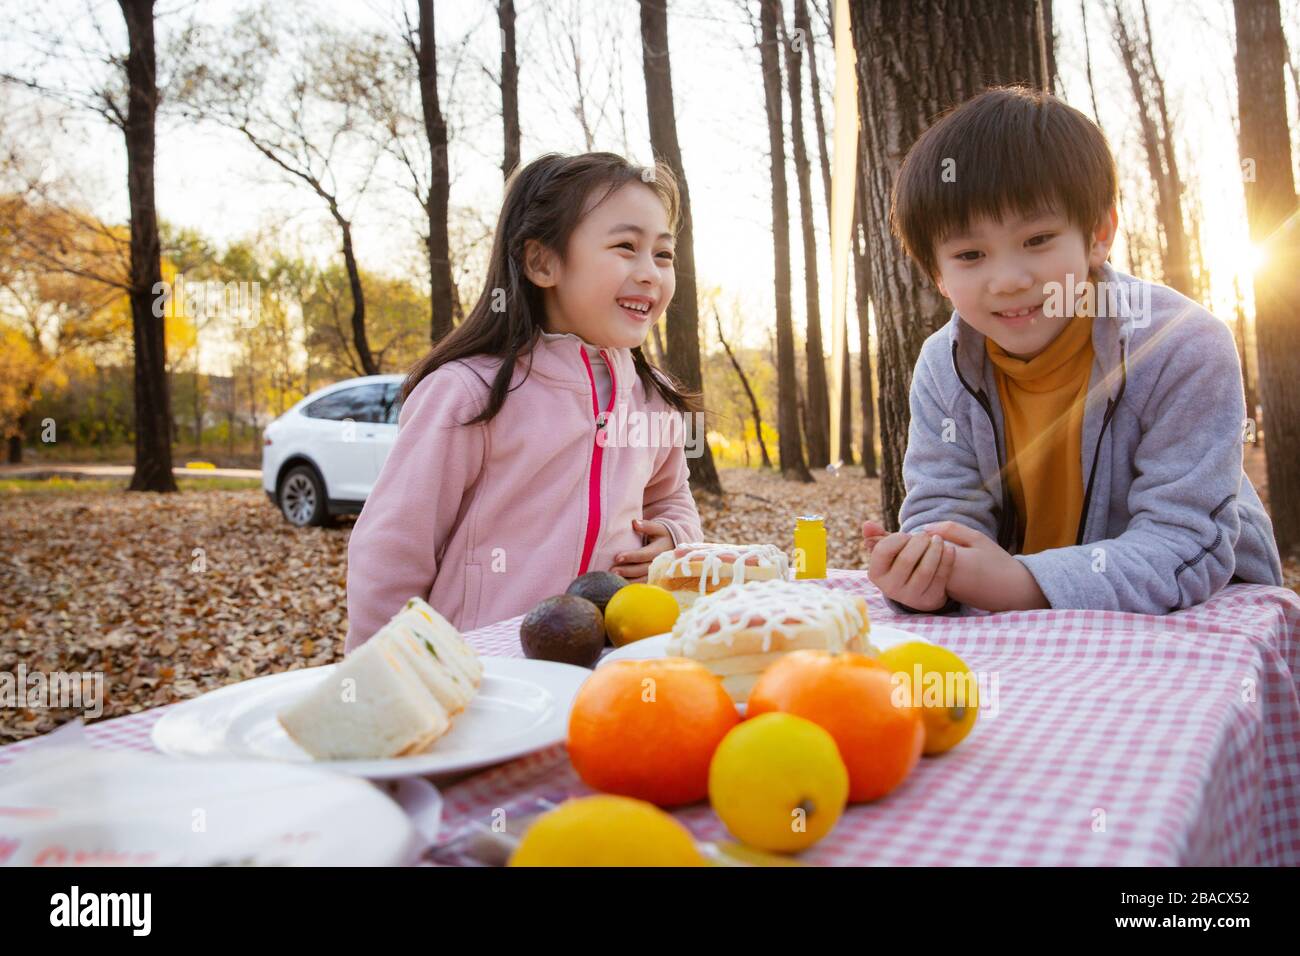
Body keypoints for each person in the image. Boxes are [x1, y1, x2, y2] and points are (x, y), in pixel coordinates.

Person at [863, 86, 1282, 615]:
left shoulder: (1180, 345)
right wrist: (927, 571)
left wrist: (1021, 583)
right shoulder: (942, 367)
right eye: (970, 254)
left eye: (1037, 240)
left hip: (1205, 615)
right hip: (1029, 633)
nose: (1009, 280)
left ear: (1098, 234)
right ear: (938, 275)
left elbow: (1184, 543)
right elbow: (945, 510)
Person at [345, 153, 703, 650]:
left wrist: (674, 537)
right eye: (626, 246)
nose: (651, 273)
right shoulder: (470, 393)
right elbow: (391, 550)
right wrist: (380, 677)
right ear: (542, 262)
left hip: (606, 669)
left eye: (663, 255)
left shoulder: (652, 399)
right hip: (484, 674)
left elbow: (671, 499)